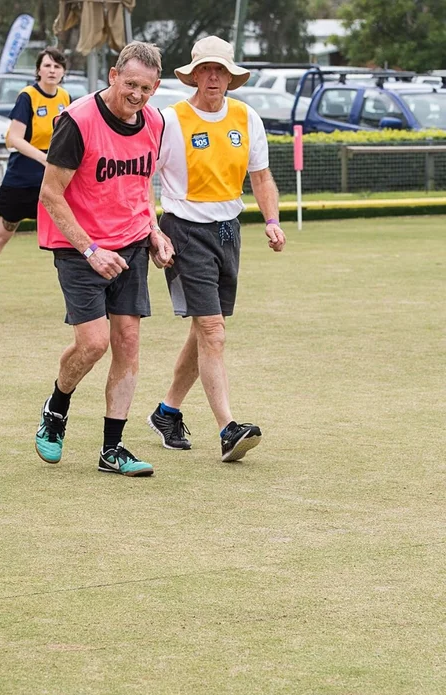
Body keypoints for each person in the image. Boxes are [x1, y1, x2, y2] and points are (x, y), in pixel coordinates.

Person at [34, 42, 174, 476]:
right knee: (94, 343)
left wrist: (153, 231)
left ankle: (112, 449)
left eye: (146, 88)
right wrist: (91, 250)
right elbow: (50, 194)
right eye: (130, 84)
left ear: (156, 87)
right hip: (80, 246)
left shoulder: (154, 122)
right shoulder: (77, 122)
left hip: (130, 245)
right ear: (113, 75)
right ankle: (57, 407)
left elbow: (140, 186)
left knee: (128, 343)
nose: (137, 95)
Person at [146, 36, 286, 463]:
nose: (213, 76)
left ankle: (167, 412)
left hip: (228, 233)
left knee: (206, 330)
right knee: (213, 331)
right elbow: (139, 180)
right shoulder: (170, 120)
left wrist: (273, 220)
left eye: (220, 70)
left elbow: (261, 178)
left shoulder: (247, 118)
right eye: (206, 69)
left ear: (229, 77)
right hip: (184, 232)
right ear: (193, 74)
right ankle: (228, 429)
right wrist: (154, 231)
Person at [0, 48, 70, 311]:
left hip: (52, 181)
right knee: (2, 234)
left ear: (63, 73)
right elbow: (14, 138)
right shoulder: (27, 97)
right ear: (38, 70)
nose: (52, 70)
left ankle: (80, 295)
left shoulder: (65, 97)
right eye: (47, 65)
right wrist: (43, 158)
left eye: (57, 67)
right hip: (21, 180)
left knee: (67, 235)